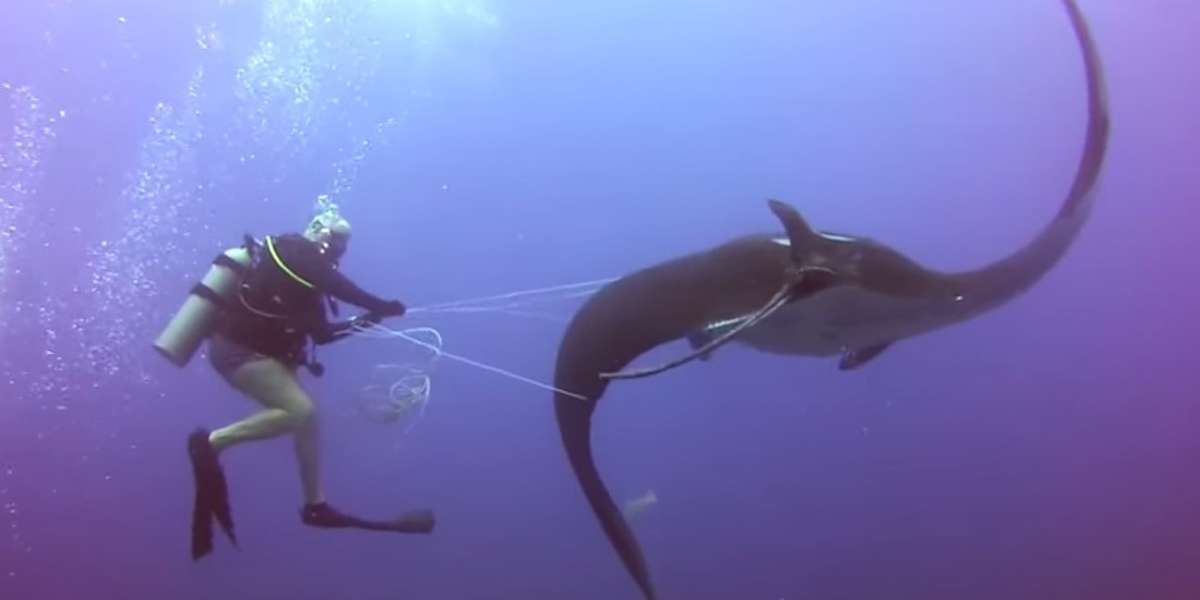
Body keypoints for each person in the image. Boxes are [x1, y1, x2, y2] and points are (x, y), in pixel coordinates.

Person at [186, 210, 434, 560]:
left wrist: (367, 321)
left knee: (308, 421)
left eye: (344, 247)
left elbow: (322, 335)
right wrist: (382, 305)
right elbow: (336, 284)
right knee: (300, 410)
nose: (339, 253)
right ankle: (210, 444)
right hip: (236, 351)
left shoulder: (308, 285)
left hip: (259, 356)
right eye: (337, 243)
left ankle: (316, 505)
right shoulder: (289, 251)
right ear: (321, 236)